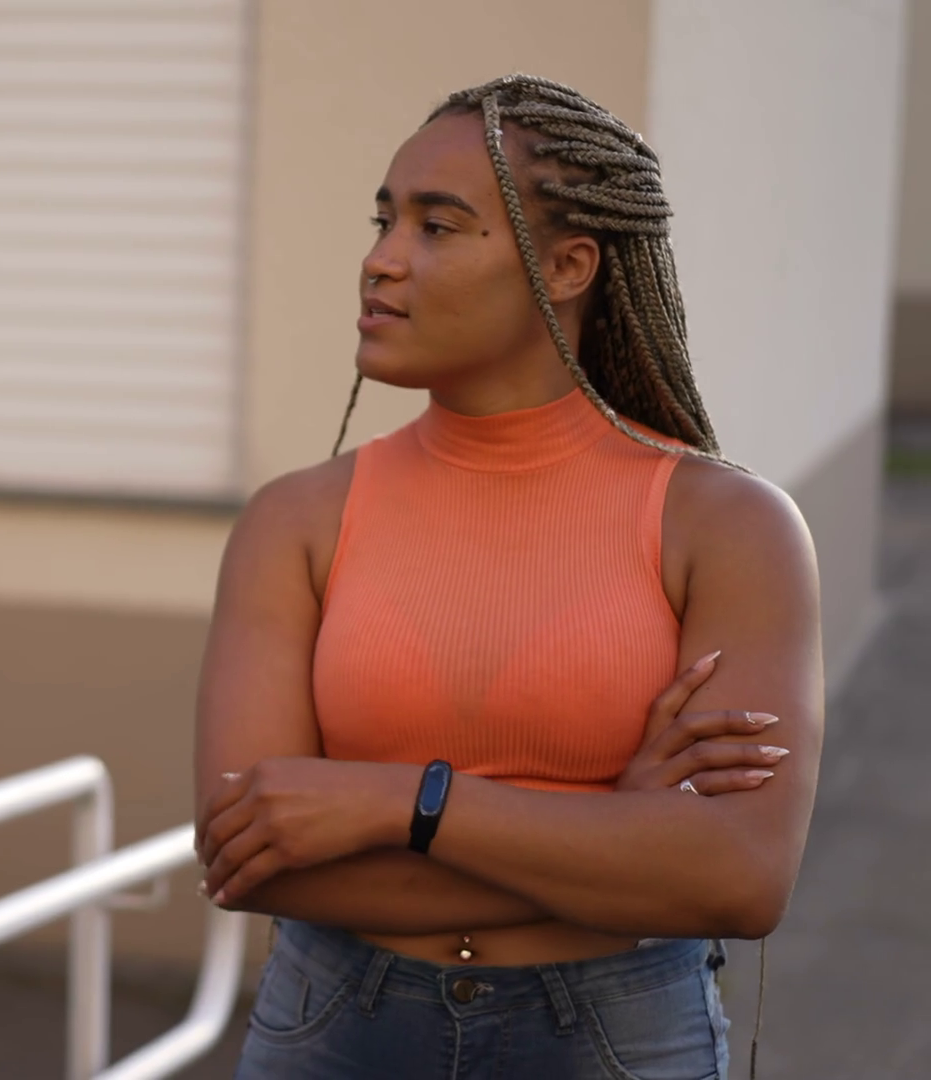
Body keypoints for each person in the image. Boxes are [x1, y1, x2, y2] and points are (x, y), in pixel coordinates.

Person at [194, 74, 822, 1079]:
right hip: (333, 1027)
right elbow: (246, 858)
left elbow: (741, 879)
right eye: (384, 219)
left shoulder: (727, 525)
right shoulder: (296, 521)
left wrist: (402, 805)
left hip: (617, 1031)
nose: (380, 260)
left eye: (438, 227)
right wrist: (616, 834)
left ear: (569, 264)